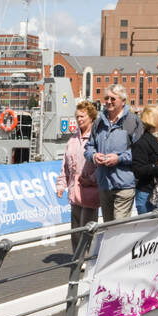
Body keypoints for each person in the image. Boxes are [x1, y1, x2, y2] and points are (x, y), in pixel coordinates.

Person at [84, 85, 142, 221]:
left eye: (112, 98)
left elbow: (139, 152)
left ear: (123, 101)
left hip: (124, 185)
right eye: (106, 98)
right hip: (105, 184)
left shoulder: (133, 121)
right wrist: (93, 156)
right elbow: (89, 147)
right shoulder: (98, 122)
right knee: (108, 227)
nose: (108, 101)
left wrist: (119, 158)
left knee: (119, 227)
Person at [56, 100, 99, 253]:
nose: (79, 119)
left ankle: (88, 257)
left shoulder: (97, 137)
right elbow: (65, 166)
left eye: (83, 116)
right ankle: (77, 257)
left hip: (90, 189)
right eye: (77, 117)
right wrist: (61, 185)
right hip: (75, 190)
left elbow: (101, 164)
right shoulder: (73, 140)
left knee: (87, 227)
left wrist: (92, 179)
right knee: (75, 229)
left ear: (91, 117)